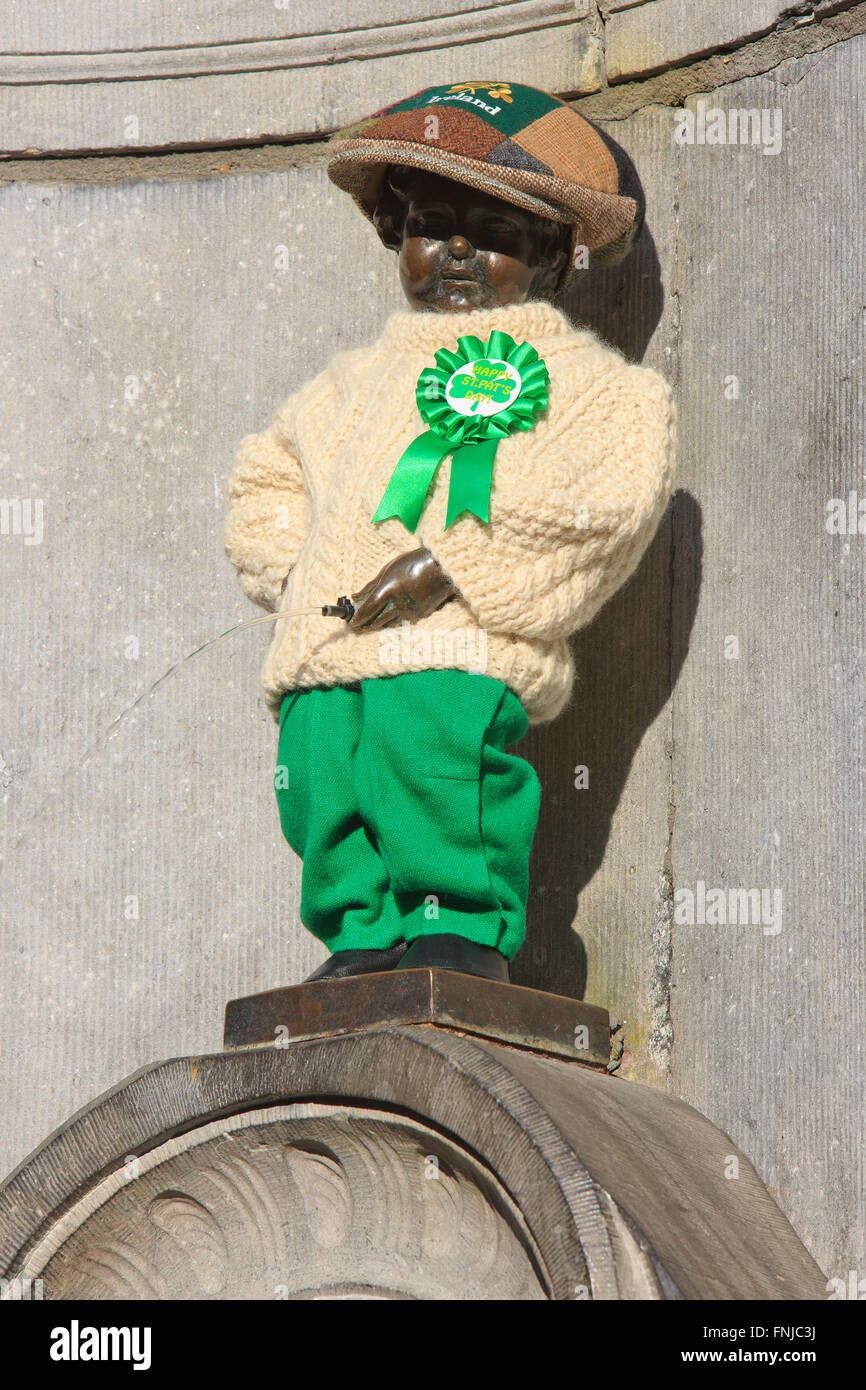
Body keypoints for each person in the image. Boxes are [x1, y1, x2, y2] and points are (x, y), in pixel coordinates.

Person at [224, 80, 676, 984]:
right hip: (326, 643)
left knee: (436, 761)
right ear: (398, 235)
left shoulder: (599, 388)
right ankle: (361, 937)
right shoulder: (347, 387)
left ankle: (460, 929)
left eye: (499, 234)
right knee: (323, 777)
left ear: (556, 255)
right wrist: (298, 571)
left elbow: (603, 500)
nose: (459, 252)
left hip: (456, 647)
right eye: (433, 224)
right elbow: (263, 479)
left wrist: (452, 564)